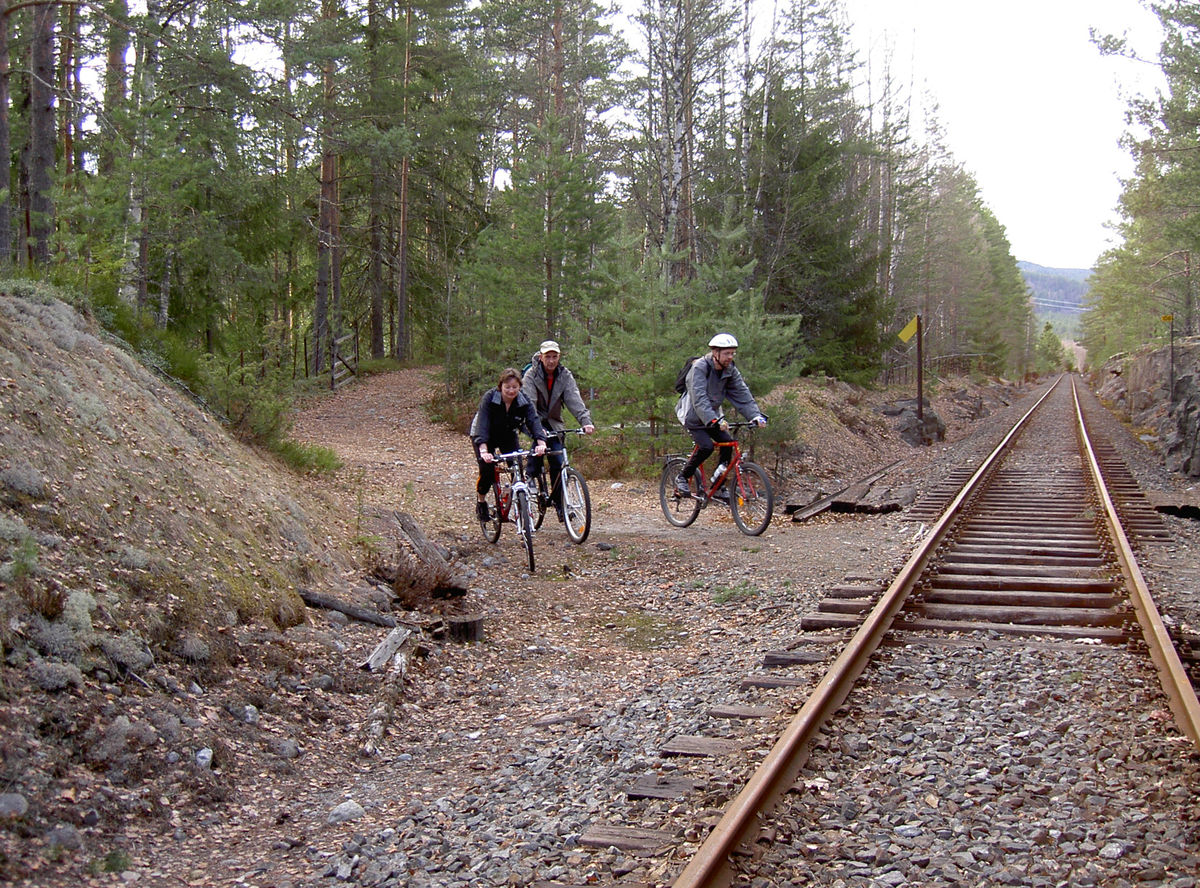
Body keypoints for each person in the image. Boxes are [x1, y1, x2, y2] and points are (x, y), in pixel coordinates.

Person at [675, 333, 767, 500]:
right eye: (727, 353)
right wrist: (713, 420)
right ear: (715, 353)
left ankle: (718, 484)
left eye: (732, 353)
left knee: (728, 444)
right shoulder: (699, 368)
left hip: (713, 418)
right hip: (694, 417)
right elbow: (699, 399)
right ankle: (682, 477)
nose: (730, 357)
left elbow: (742, 394)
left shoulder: (730, 370)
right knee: (706, 447)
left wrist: (755, 416)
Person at [522, 340, 595, 520]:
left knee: (558, 460)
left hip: (554, 423)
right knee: (539, 447)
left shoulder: (564, 375)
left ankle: (559, 502)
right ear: (541, 357)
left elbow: (574, 399)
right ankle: (530, 476)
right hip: (532, 419)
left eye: (555, 357)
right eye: (548, 357)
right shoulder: (531, 375)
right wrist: (537, 429)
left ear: (559, 357)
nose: (551, 361)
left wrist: (586, 421)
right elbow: (528, 405)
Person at [470, 368, 548, 523]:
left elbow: (533, 420)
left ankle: (518, 501)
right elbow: (482, 424)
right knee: (487, 471)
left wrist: (541, 442)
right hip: (485, 435)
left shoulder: (523, 400)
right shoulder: (490, 398)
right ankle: (481, 501)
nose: (511, 391)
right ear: (501, 386)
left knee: (517, 467)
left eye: (515, 387)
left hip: (507, 434)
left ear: (519, 387)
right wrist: (484, 450)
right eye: (507, 387)